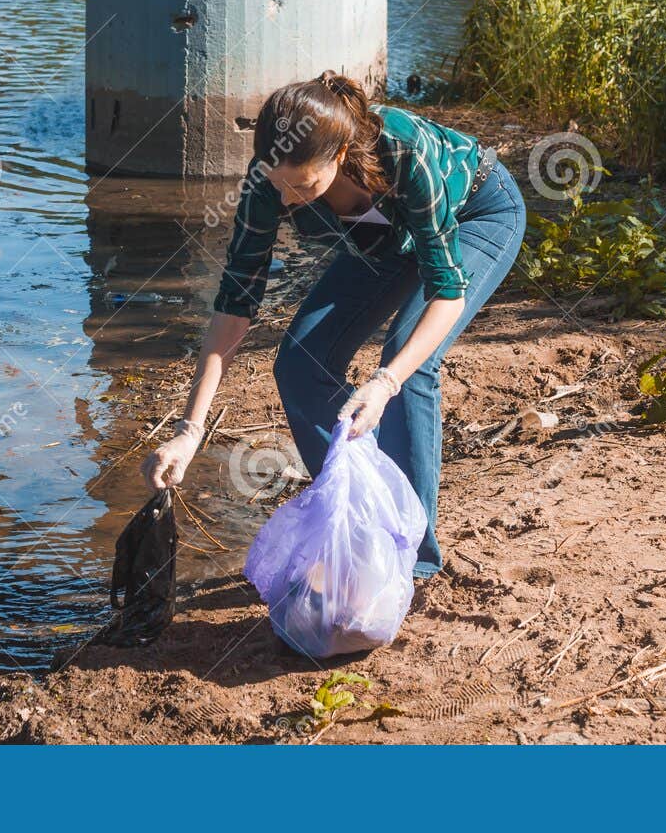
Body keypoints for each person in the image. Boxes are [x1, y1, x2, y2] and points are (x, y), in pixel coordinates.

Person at [140, 70, 527, 578]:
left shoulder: (402, 151)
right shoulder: (270, 185)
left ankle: (411, 560)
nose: (288, 200)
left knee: (408, 361)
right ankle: (361, 517)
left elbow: (447, 293)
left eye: (303, 186)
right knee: (300, 362)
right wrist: (190, 431)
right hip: (385, 238)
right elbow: (234, 307)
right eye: (279, 184)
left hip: (475, 211)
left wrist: (386, 383)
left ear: (340, 156)